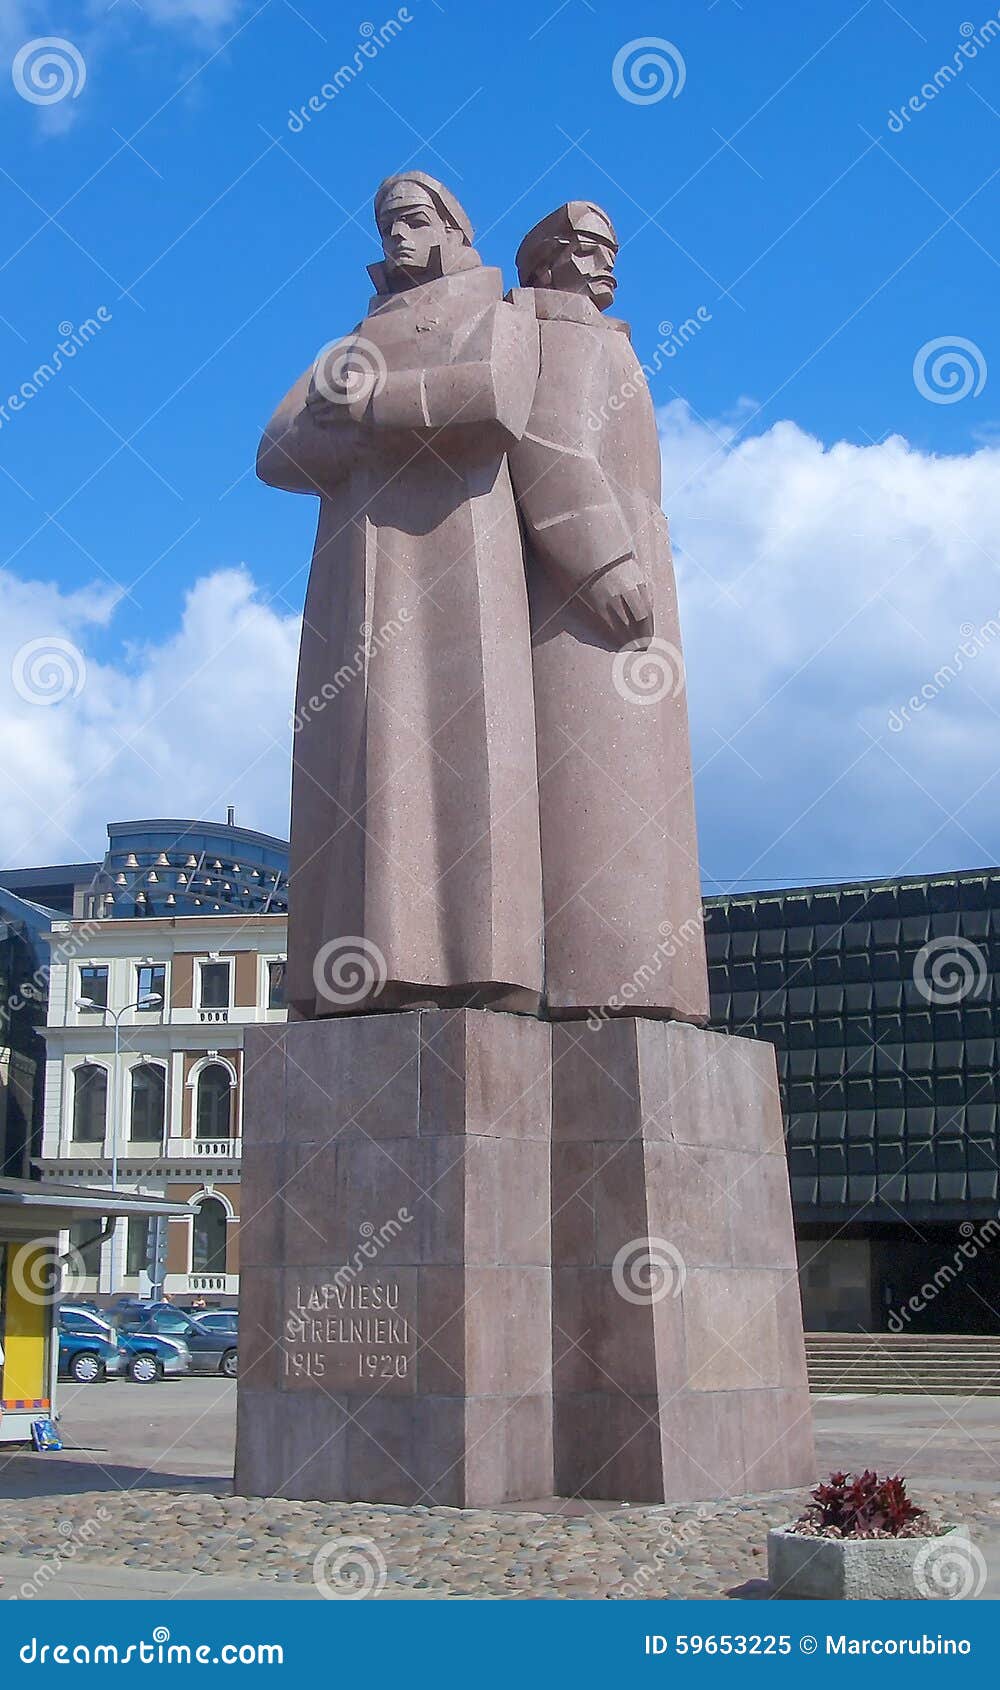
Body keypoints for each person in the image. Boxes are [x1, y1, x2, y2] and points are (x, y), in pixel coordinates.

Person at [259, 174, 545, 1019]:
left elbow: (493, 397)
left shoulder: (498, 310)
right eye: (385, 223)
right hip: (355, 569)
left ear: (455, 228)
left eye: (414, 220)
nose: (396, 236)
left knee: (462, 744)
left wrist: (372, 407)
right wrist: (353, 423)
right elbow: (275, 451)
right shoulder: (353, 336)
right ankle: (360, 969)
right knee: (362, 757)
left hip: (456, 554)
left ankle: (465, 963)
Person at [507, 202, 709, 1021]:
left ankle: (655, 989)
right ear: (548, 262)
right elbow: (545, 442)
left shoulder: (605, 338)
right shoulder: (552, 331)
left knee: (647, 794)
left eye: (610, 250)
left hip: (635, 584)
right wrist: (606, 561)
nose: (604, 263)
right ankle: (601, 986)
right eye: (585, 248)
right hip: (585, 599)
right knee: (600, 783)